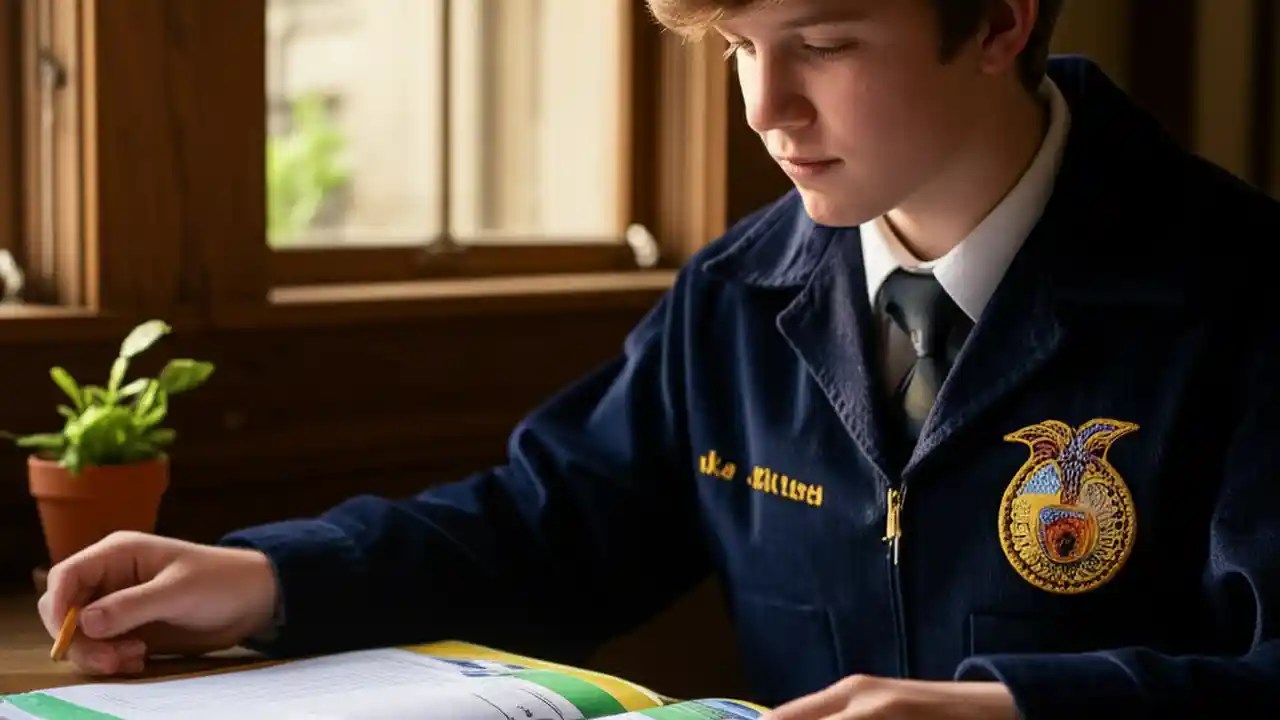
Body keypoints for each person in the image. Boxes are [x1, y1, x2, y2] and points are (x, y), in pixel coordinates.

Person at [36, 0, 1280, 717]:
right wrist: (266, 577)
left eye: (824, 41)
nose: (763, 107)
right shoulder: (738, 294)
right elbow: (548, 522)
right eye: (738, 44)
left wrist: (1020, 713)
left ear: (999, 18)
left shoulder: (1236, 296)